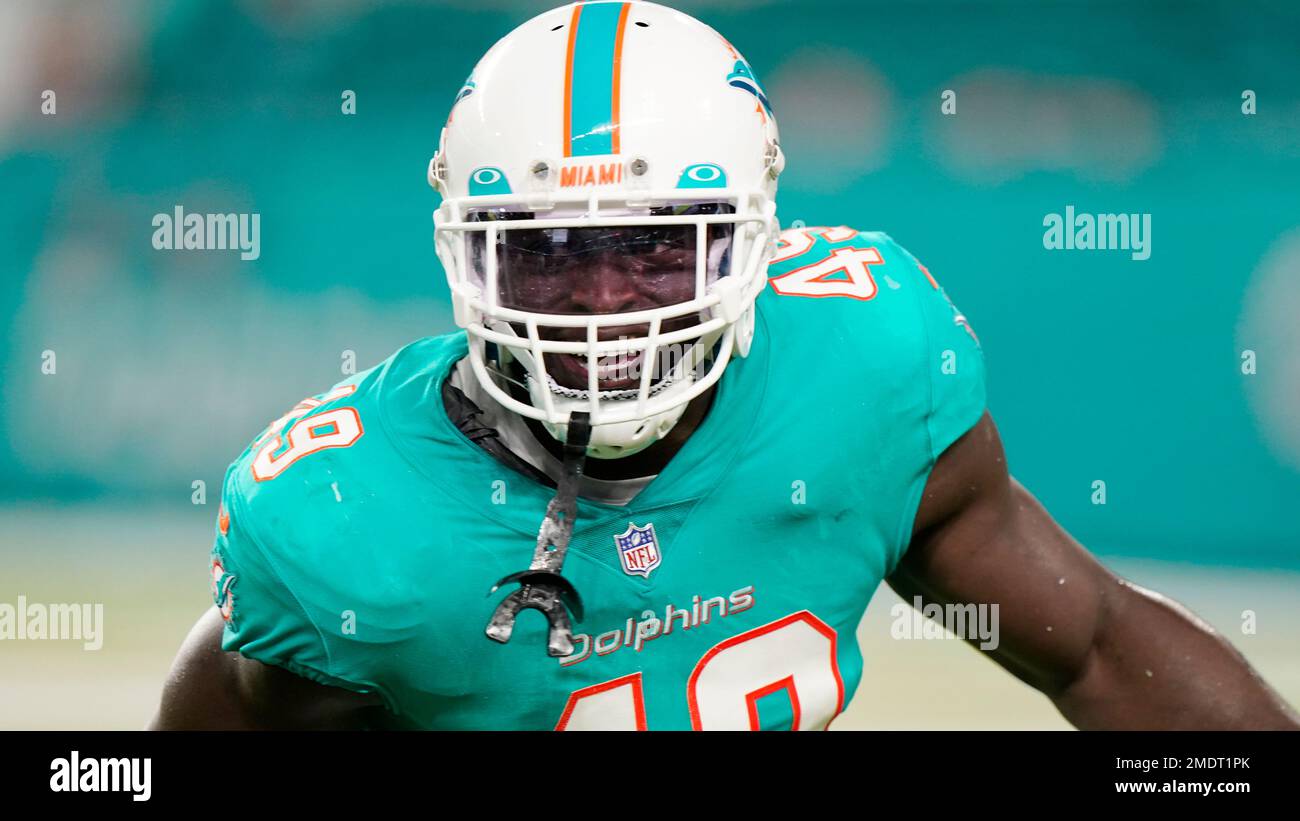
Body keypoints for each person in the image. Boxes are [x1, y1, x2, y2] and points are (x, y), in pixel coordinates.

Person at [151, 0, 1298, 730]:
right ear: (466, 255)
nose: (602, 303)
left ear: (750, 238)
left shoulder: (862, 366)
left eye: (654, 246)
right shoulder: (345, 519)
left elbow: (1092, 647)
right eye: (546, 251)